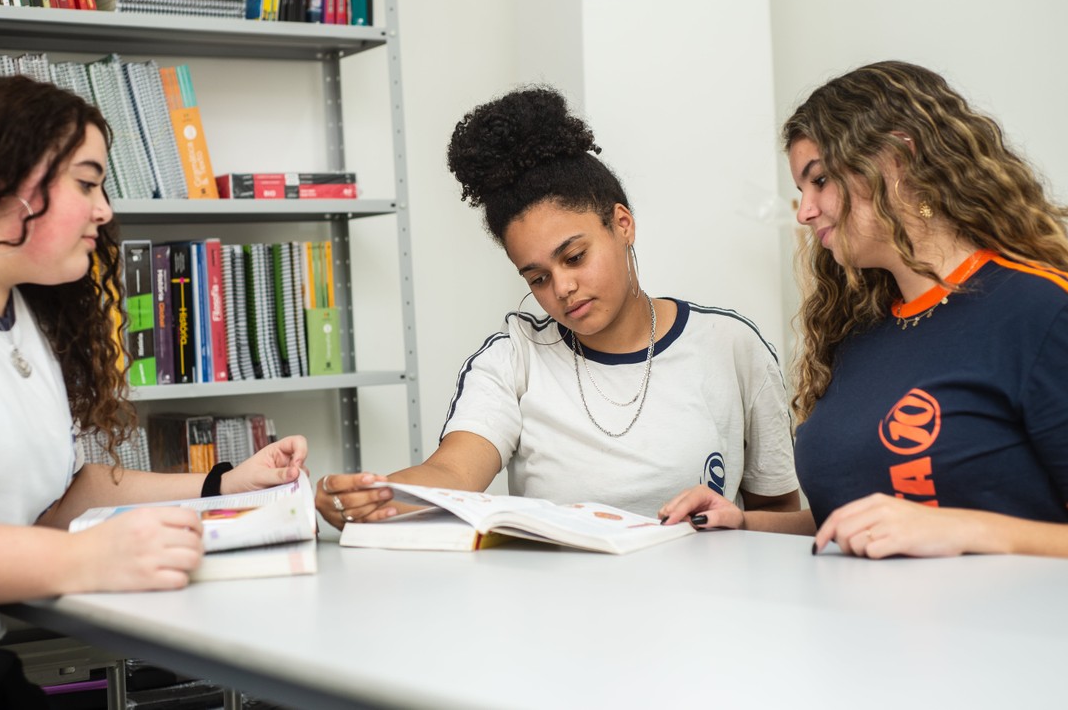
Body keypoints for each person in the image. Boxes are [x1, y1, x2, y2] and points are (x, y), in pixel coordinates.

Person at [0, 76, 309, 708]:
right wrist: (78, 561)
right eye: (87, 183)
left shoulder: (16, 309)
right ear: (6, 179)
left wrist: (224, 484)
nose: (104, 210)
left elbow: (56, 503)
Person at [316, 86, 798, 528]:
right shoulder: (515, 359)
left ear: (622, 224)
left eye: (575, 257)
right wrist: (372, 495)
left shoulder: (730, 347)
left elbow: (777, 511)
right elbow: (453, 473)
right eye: (538, 278)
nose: (563, 288)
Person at [661, 60, 1068, 559]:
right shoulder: (858, 330)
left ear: (899, 159)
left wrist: (965, 531)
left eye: (820, 180)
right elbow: (858, 517)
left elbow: (931, 521)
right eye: (801, 191)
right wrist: (744, 521)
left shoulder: (1041, 310)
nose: (804, 211)